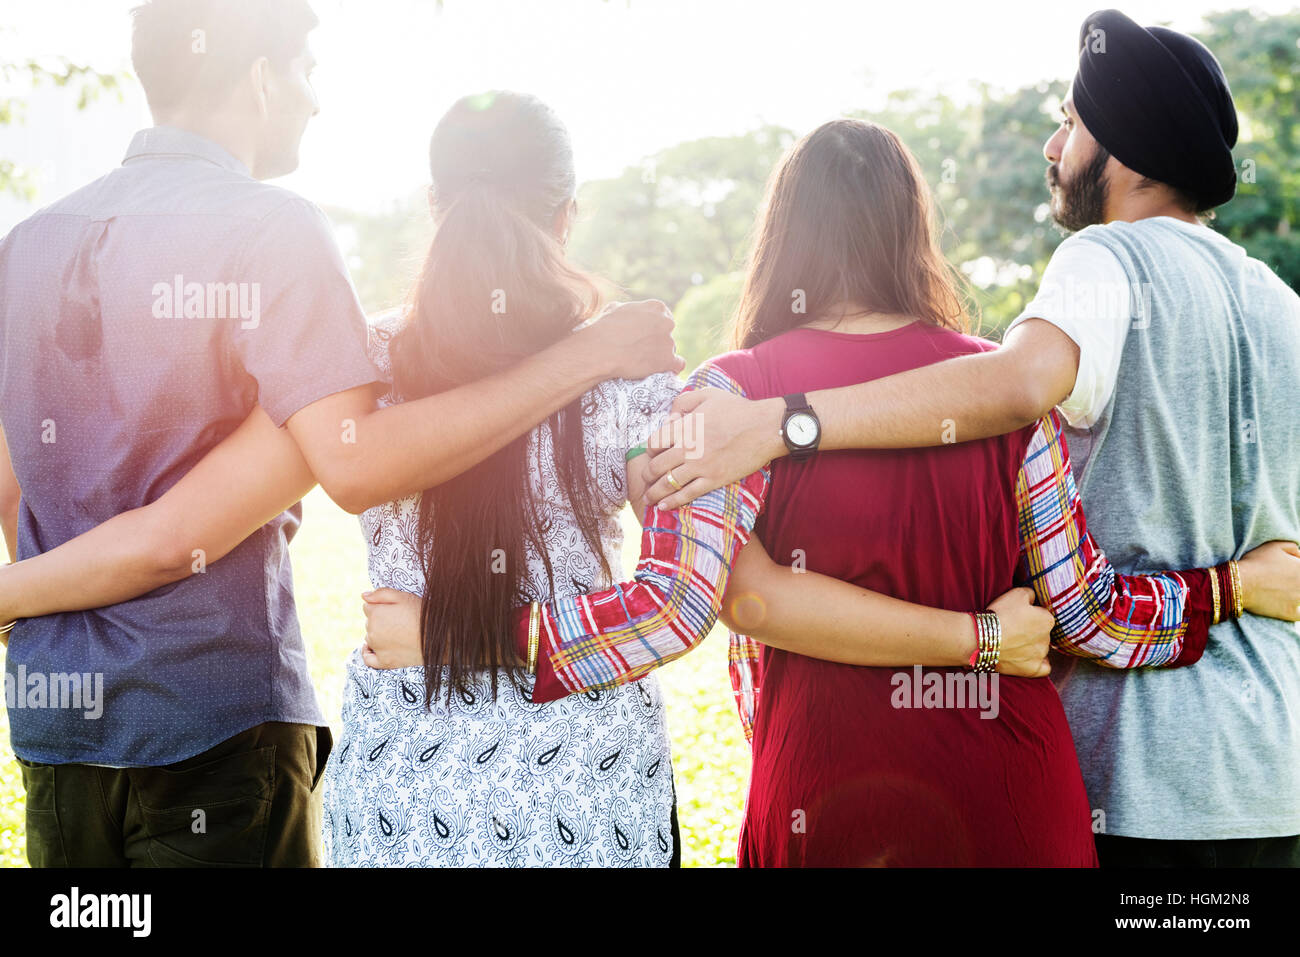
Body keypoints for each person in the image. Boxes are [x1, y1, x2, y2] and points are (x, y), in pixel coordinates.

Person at [363, 116, 1300, 866]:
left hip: (825, 794)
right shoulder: (1000, 391)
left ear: (784, 237)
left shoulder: (732, 394)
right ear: (911, 232)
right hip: (1016, 798)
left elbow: (696, 600)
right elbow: (1089, 613)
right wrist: (1230, 587)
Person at [0, 0, 678, 868]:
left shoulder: (27, 245)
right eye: (309, 71)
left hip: (57, 729)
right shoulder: (272, 227)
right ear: (259, 76)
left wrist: (25, 602)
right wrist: (581, 356)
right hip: (213, 717)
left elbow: (16, 484)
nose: (315, 101)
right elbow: (330, 470)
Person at [638, 9, 1300, 867]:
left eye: (1069, 123)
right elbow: (1079, 598)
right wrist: (1239, 586)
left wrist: (782, 423)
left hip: (1139, 775)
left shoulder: (1102, 267)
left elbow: (1017, 392)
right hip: (1264, 772)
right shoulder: (1280, 305)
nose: (1052, 148)